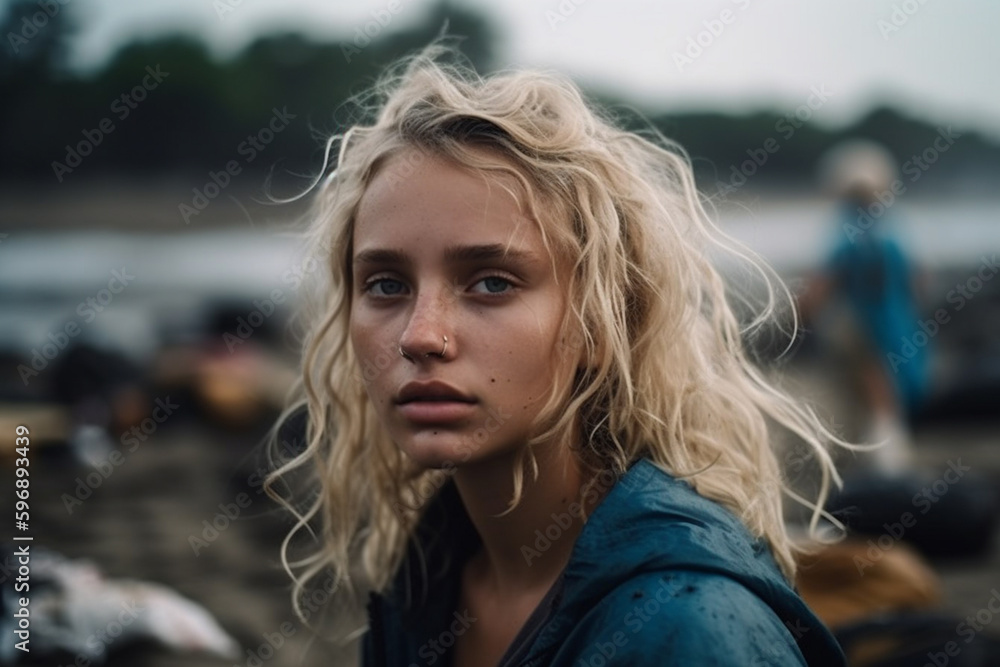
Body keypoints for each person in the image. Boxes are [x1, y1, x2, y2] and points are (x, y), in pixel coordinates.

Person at [265, 42, 848, 666]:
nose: (419, 336)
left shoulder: (688, 629)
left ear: (601, 323)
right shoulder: (427, 583)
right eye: (385, 285)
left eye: (492, 282)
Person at [799, 140, 931, 473]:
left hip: (862, 323)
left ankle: (882, 456)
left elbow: (822, 284)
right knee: (889, 385)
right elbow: (916, 280)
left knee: (871, 387)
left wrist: (800, 318)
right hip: (895, 320)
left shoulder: (846, 229)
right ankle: (887, 451)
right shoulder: (893, 226)